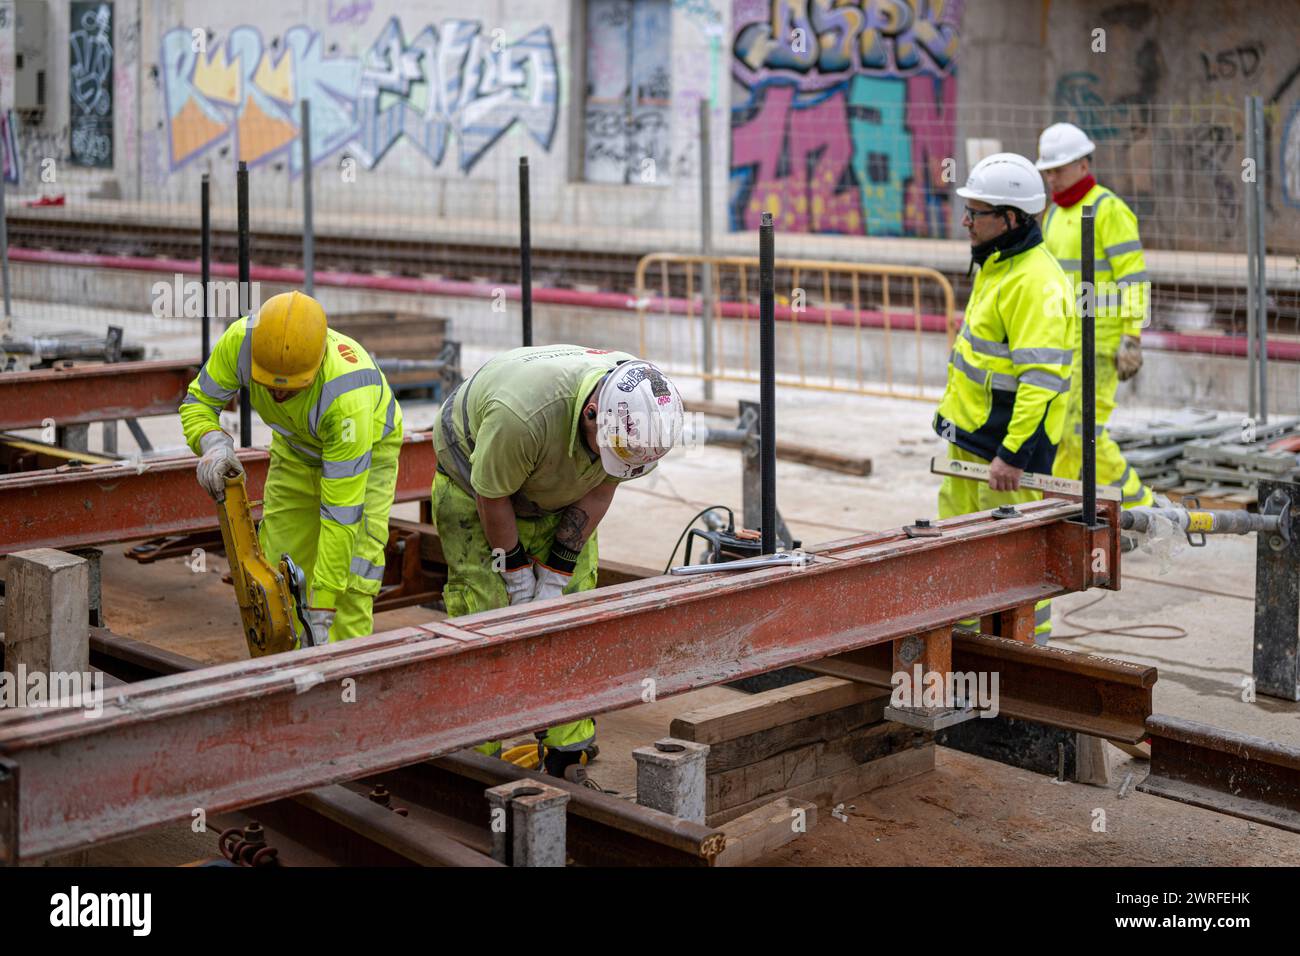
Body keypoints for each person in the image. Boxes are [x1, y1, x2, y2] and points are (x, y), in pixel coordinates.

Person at [432, 345, 683, 777]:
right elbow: (491, 495)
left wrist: (556, 574)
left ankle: (568, 745)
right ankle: (476, 750)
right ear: (591, 413)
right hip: (475, 490)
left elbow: (602, 489)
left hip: (552, 489)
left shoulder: (636, 421)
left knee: (570, 614)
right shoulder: (522, 418)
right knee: (486, 616)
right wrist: (514, 574)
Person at [181, 290, 403, 646]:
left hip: (366, 453)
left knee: (353, 574)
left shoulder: (347, 399)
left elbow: (340, 517)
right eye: (269, 387)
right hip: (297, 448)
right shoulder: (242, 343)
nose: (278, 397)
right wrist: (212, 443)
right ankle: (282, 671)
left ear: (317, 366)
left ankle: (346, 674)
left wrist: (322, 609)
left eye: (291, 390)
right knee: (277, 575)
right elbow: (199, 402)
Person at [934, 153, 1076, 643]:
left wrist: (1012, 454)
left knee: (1012, 557)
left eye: (977, 212)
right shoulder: (999, 262)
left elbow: (1040, 383)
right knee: (959, 545)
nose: (966, 221)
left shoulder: (1036, 283)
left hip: (1004, 452)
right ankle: (965, 642)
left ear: (1012, 218)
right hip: (972, 436)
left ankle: (1023, 652)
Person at [1037, 121, 1154, 508]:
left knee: (1085, 434)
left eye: (1057, 169)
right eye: (1047, 171)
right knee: (1066, 435)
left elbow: (1133, 278)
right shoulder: (1053, 214)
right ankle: (1063, 508)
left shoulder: (1109, 210)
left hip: (1101, 346)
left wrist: (1131, 337)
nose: (1051, 178)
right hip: (1064, 344)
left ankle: (1142, 507)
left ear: (1083, 164)